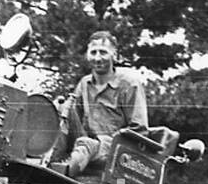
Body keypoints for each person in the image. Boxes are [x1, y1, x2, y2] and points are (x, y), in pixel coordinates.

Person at [54, 31, 149, 176]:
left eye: (103, 52)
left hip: (116, 149)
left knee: (88, 144)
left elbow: (140, 130)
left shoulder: (129, 85)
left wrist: (105, 141)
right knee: (60, 109)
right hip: (85, 143)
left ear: (114, 55)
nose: (97, 58)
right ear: (87, 55)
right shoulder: (84, 83)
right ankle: (50, 159)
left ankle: (62, 174)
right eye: (93, 52)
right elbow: (71, 119)